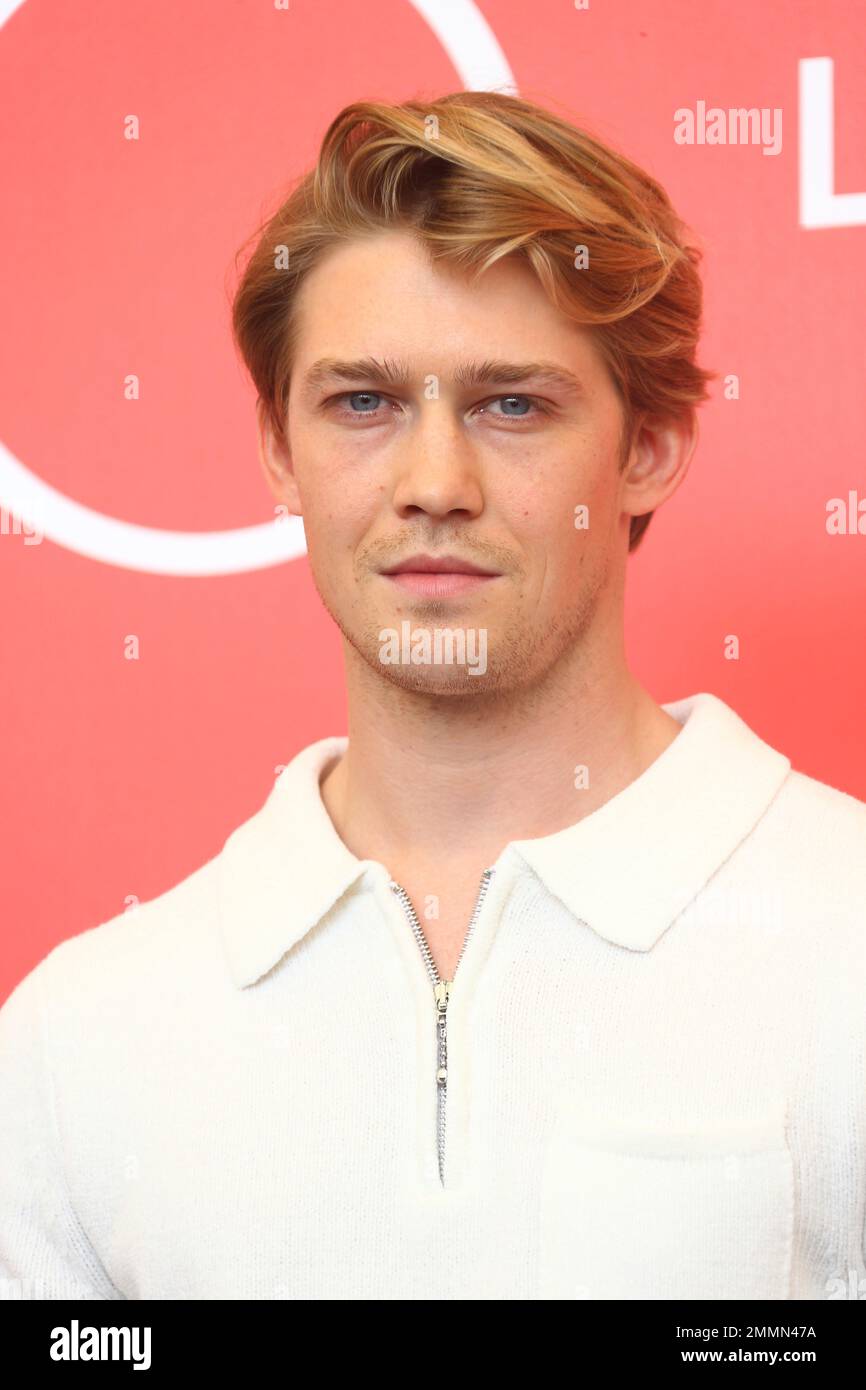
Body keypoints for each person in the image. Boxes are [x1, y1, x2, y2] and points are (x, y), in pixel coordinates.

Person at [1, 91, 864, 1302]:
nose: (432, 482)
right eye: (363, 403)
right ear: (276, 448)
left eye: (511, 403)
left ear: (649, 445)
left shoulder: (848, 944)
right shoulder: (73, 1040)